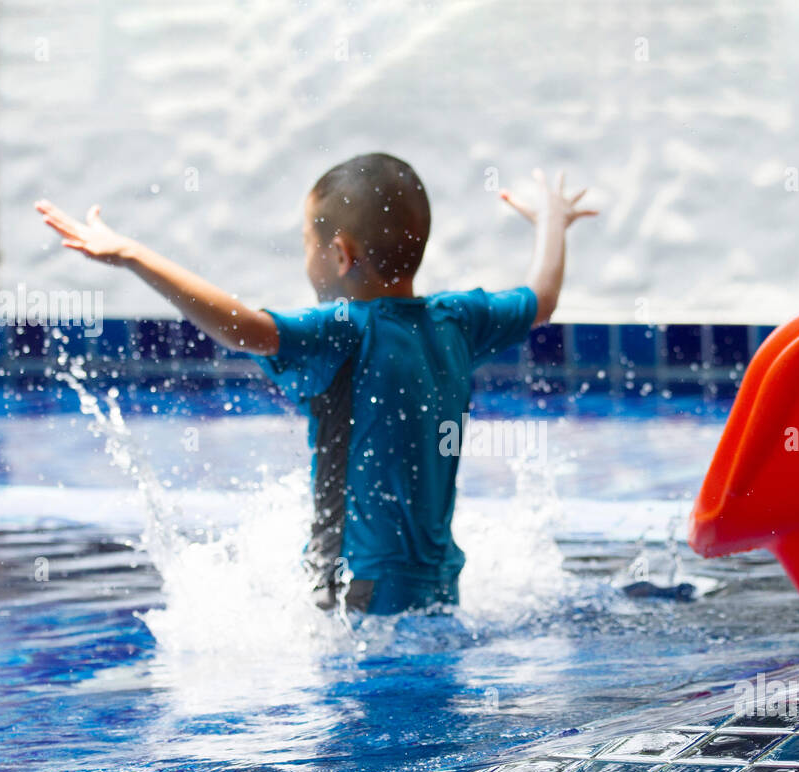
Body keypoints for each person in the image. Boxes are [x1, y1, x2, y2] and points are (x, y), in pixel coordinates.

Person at [36, 152, 596, 613]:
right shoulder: (459, 320)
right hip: (440, 582)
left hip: (357, 590)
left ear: (341, 254)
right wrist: (552, 222)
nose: (306, 258)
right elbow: (542, 299)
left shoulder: (349, 329)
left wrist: (133, 254)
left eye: (307, 243)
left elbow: (243, 329)